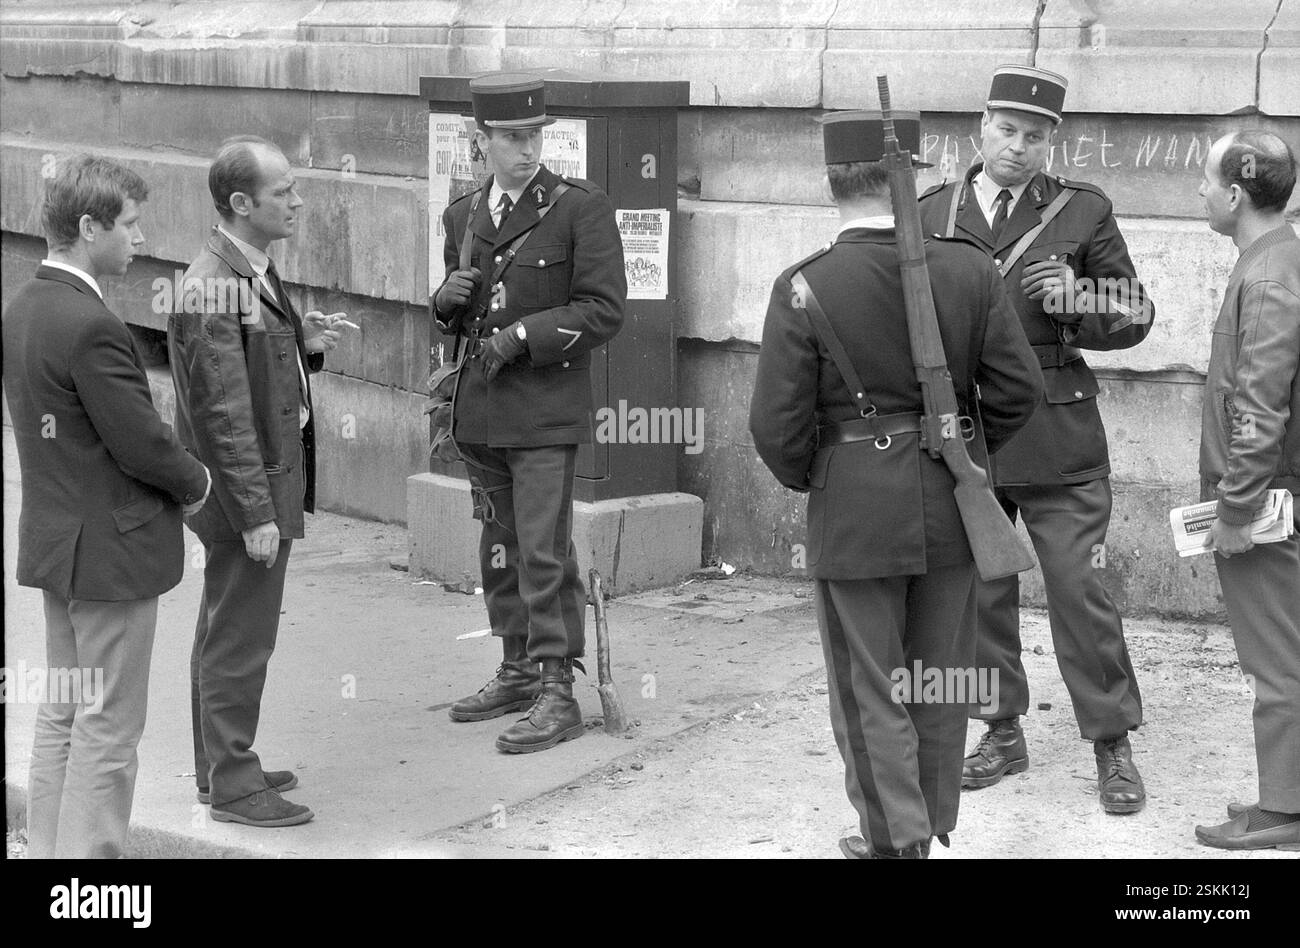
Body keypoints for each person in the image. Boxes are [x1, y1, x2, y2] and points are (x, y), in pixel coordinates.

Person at [750, 110, 1041, 857]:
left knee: (869, 687)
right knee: (938, 680)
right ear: (911, 174)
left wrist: (822, 476)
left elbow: (776, 429)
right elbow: (1015, 392)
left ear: (832, 181)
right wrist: (962, 459)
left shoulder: (804, 285)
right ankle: (931, 823)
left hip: (854, 511)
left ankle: (895, 840)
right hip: (952, 504)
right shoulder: (972, 267)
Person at [918, 66, 1155, 813]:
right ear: (981, 127)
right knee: (981, 592)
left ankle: (1111, 741)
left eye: (1035, 137)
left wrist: (1080, 299)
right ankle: (1002, 730)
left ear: (1052, 142)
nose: (1019, 148)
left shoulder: (1083, 211)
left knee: (1078, 590)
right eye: (1008, 130)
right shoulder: (929, 212)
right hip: (970, 437)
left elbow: (1136, 312)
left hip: (1057, 434)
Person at [4, 155, 210, 857]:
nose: (140, 238)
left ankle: (50, 859)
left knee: (63, 713)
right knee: (109, 728)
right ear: (88, 227)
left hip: (59, 548)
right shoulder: (93, 325)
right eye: (128, 224)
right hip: (112, 557)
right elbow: (143, 445)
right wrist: (198, 483)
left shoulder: (26, 304)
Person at [432, 72, 626, 753]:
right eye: (511, 137)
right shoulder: (462, 216)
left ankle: (557, 690)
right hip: (481, 409)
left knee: (543, 550)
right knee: (497, 547)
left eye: (533, 135)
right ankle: (515, 667)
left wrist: (523, 337)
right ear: (479, 141)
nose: (525, 149)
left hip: (545, 408)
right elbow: (459, 321)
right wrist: (443, 303)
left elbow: (604, 310)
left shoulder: (579, 208)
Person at [169, 136, 349, 826]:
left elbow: (244, 373)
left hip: (249, 485)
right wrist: (255, 514)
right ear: (241, 204)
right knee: (241, 639)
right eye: (284, 192)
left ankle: (223, 768)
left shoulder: (243, 267)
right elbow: (224, 416)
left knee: (225, 629)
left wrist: (303, 347)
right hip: (247, 491)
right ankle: (237, 786)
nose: (298, 202)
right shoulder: (217, 283)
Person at [1193, 130, 1300, 851]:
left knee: (1277, 661)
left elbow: (1259, 407)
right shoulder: (1281, 260)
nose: (1200, 193)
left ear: (1234, 195)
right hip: (1281, 489)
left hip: (1267, 503)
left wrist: (1235, 509)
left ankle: (1285, 810)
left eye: (1205, 181)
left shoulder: (1265, 277)